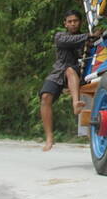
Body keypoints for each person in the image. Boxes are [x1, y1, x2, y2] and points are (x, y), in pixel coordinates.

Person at [40, 11, 100, 151]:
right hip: (58, 73)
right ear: (65, 23)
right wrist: (89, 36)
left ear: (80, 22)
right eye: (70, 21)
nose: (73, 24)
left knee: (70, 71)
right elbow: (70, 41)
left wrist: (93, 37)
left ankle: (75, 104)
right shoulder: (60, 36)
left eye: (76, 21)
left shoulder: (89, 39)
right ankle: (49, 137)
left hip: (78, 74)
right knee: (45, 97)